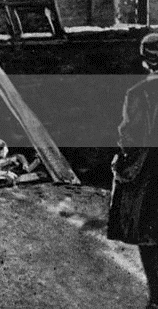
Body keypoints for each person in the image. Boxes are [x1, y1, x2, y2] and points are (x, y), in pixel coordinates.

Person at [109, 33, 158, 309]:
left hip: (150, 172)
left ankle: (156, 298)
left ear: (145, 62)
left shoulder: (138, 92)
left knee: (150, 237)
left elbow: (130, 136)